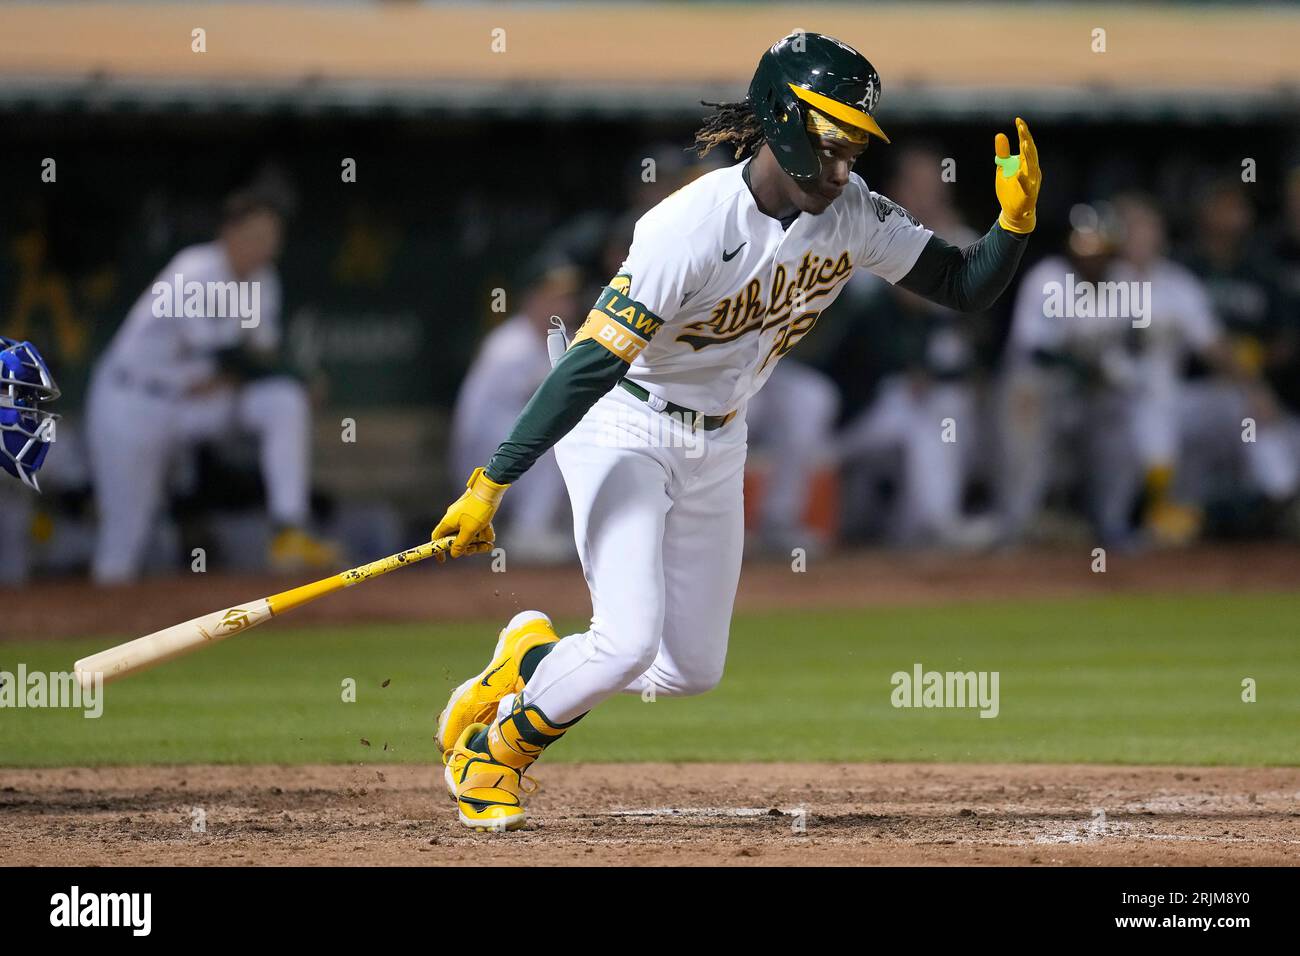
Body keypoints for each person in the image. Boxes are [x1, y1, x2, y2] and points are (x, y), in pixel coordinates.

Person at [430, 32, 1040, 831]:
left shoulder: (853, 214)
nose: (847, 164)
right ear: (784, 121)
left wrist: (1016, 222)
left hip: (719, 438)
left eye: (856, 146)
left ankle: (530, 662)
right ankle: (495, 750)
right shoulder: (688, 226)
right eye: (834, 142)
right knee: (625, 641)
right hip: (626, 425)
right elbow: (591, 363)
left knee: (689, 671)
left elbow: (962, 285)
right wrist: (491, 483)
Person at [86, 191, 334, 584]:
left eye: (272, 238)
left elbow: (259, 355)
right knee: (126, 537)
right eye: (255, 236)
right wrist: (299, 376)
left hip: (193, 406)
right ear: (228, 233)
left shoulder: (263, 279)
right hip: (133, 400)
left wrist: (287, 380)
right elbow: (229, 355)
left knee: (283, 402)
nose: (264, 247)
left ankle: (288, 529)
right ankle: (98, 627)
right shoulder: (194, 270)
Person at [449, 256, 580, 563]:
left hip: (510, 448)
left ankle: (548, 527)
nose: (564, 306)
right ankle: (529, 531)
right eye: (554, 298)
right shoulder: (510, 346)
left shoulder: (568, 339)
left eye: (567, 298)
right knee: (552, 437)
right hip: (480, 456)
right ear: (532, 300)